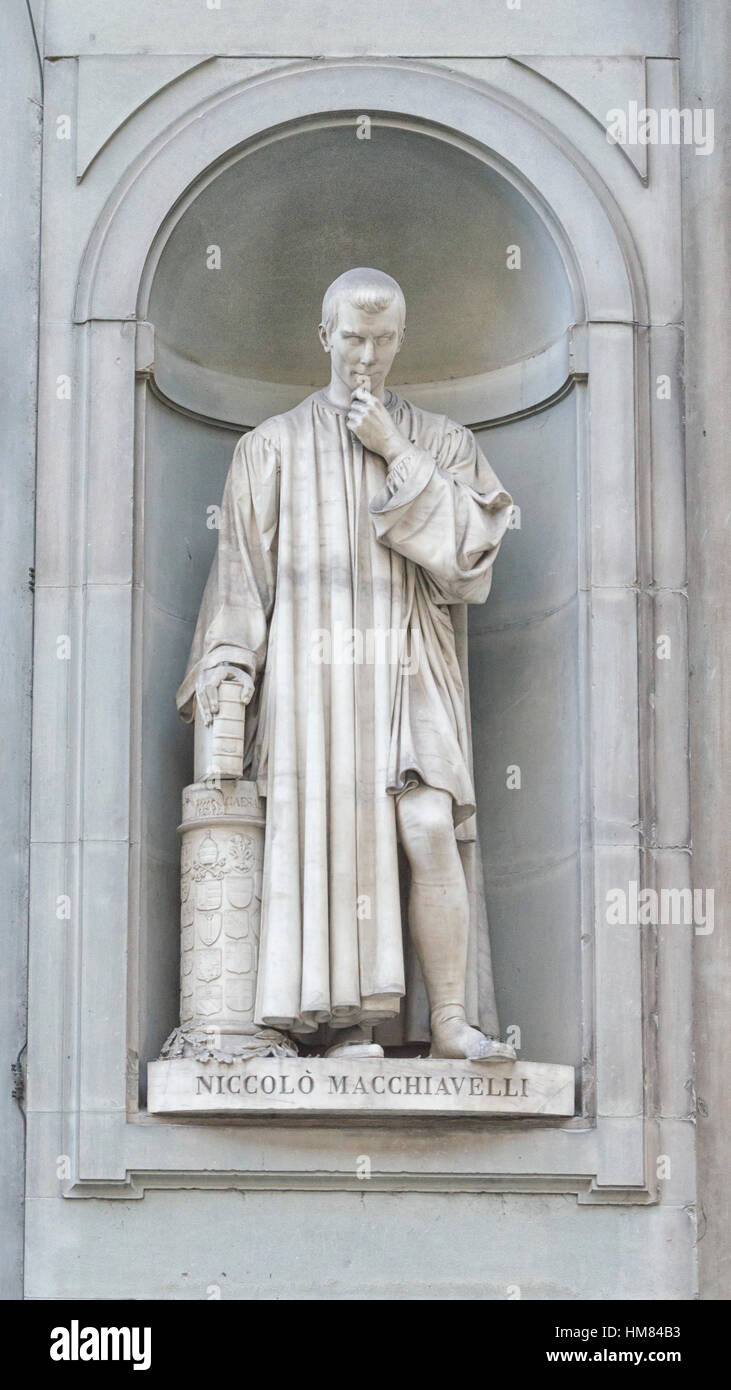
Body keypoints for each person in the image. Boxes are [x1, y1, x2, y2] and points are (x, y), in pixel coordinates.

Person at [177, 268, 516, 1061]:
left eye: (383, 340)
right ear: (323, 336)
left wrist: (392, 449)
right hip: (312, 679)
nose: (367, 356)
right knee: (334, 835)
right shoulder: (271, 448)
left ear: (401, 340)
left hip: (409, 662)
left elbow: (471, 562)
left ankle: (452, 1021)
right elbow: (240, 582)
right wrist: (229, 671)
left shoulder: (441, 441)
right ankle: (347, 1024)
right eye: (353, 338)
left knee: (430, 824)